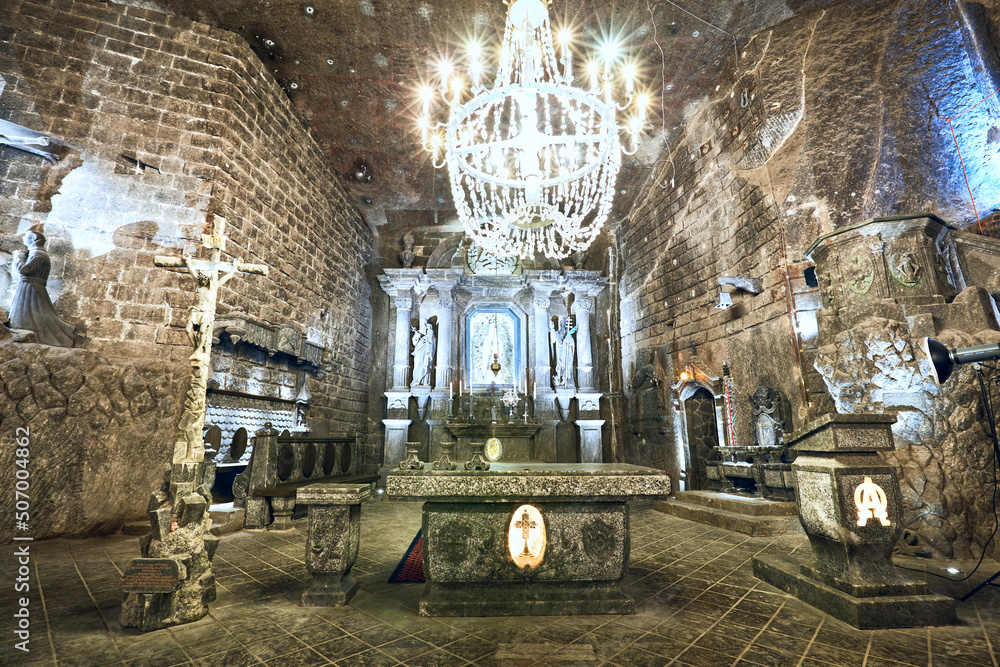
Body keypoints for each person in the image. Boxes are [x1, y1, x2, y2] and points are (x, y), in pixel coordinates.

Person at [9, 230, 76, 347]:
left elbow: (24, 270)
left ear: (34, 239)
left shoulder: (38, 254)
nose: (24, 238)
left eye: (26, 236)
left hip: (31, 287)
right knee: (33, 314)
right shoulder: (36, 253)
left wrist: (19, 256)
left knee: (37, 314)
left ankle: (65, 334)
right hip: (30, 286)